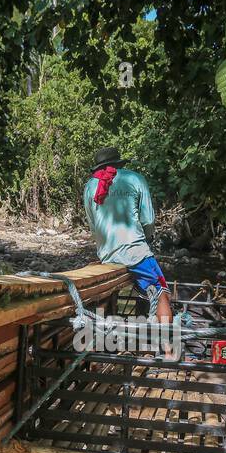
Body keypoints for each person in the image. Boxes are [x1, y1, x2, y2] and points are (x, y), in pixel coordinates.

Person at [82, 147, 175, 354]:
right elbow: (148, 220)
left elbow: (93, 226)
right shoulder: (135, 179)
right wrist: (148, 237)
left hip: (106, 254)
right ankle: (169, 351)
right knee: (162, 294)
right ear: (119, 164)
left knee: (111, 295)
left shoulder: (90, 186)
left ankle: (102, 346)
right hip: (135, 252)